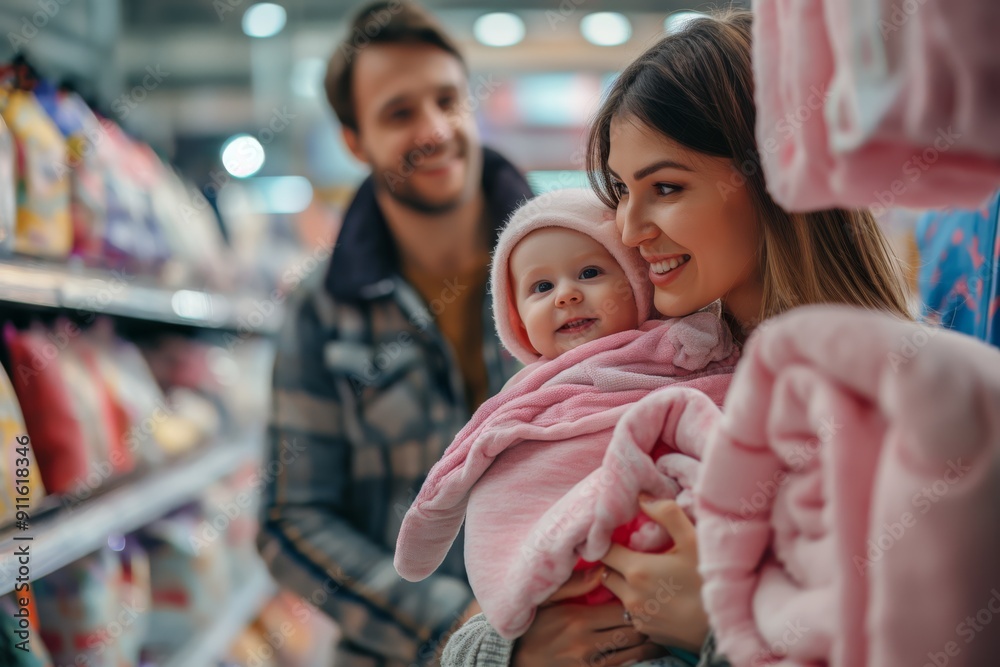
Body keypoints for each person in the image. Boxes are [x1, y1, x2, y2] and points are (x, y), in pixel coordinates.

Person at [442, 9, 911, 667]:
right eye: (621, 192)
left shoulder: (896, 402)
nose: (628, 230)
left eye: (664, 187)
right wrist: (511, 650)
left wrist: (716, 629)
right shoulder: (639, 368)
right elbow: (519, 573)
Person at [255, 2, 533, 665]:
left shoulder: (575, 264)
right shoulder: (321, 308)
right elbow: (292, 522)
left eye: (447, 100)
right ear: (354, 140)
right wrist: (466, 628)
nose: (435, 129)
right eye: (399, 112)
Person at [393, 187, 739, 665]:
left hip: (668, 564)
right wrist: (421, 543)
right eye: (541, 287)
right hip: (569, 588)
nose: (568, 294)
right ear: (516, 319)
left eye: (590, 273)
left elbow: (719, 394)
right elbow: (464, 456)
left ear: (637, 281)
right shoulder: (525, 391)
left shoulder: (676, 344)